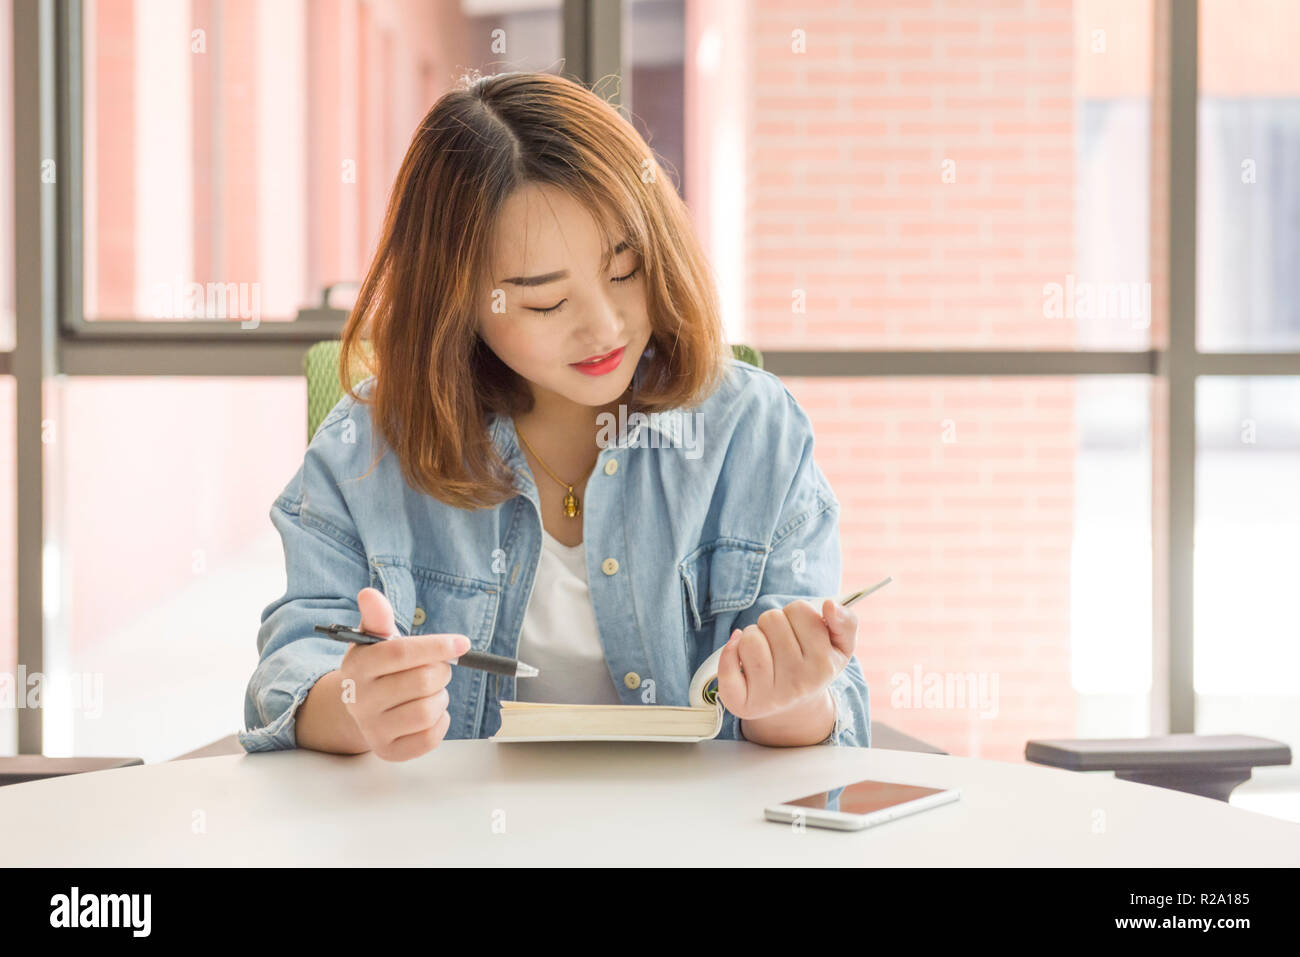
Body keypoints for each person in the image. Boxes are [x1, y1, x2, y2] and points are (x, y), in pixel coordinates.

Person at [239, 70, 869, 761]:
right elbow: (290, 671)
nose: (604, 327)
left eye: (625, 271)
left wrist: (790, 696)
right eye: (543, 302)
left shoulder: (752, 432)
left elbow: (828, 719)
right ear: (456, 304)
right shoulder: (366, 449)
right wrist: (359, 706)